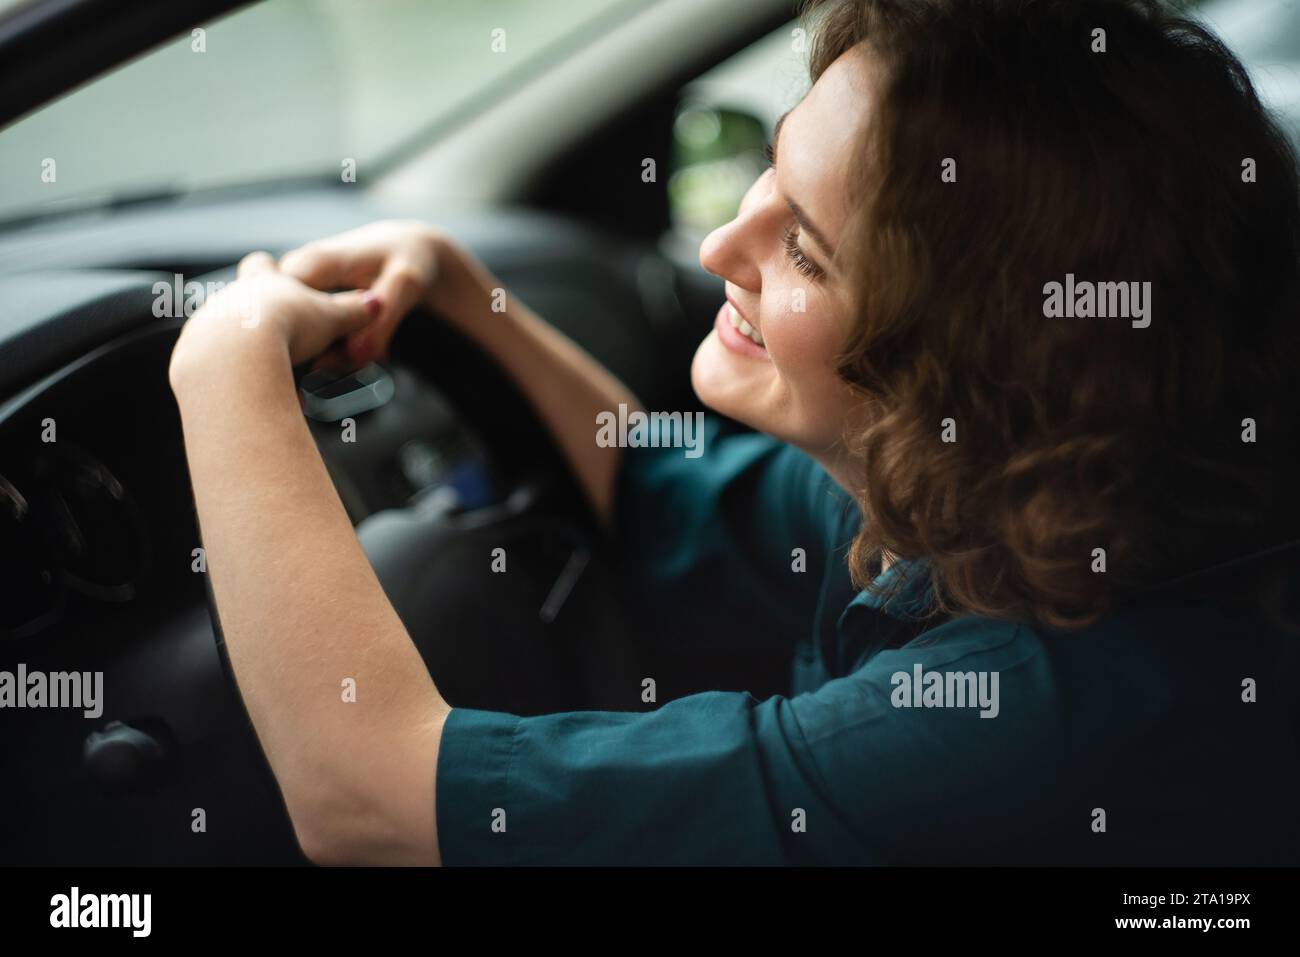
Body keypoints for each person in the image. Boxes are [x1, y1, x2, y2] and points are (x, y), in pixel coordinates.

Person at [167, 0, 1300, 865]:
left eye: (804, 249)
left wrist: (223, 363)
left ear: (976, 378)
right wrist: (464, 291)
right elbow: (660, 490)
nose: (719, 246)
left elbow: (364, 797)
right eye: (770, 166)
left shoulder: (1027, 723)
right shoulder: (976, 501)